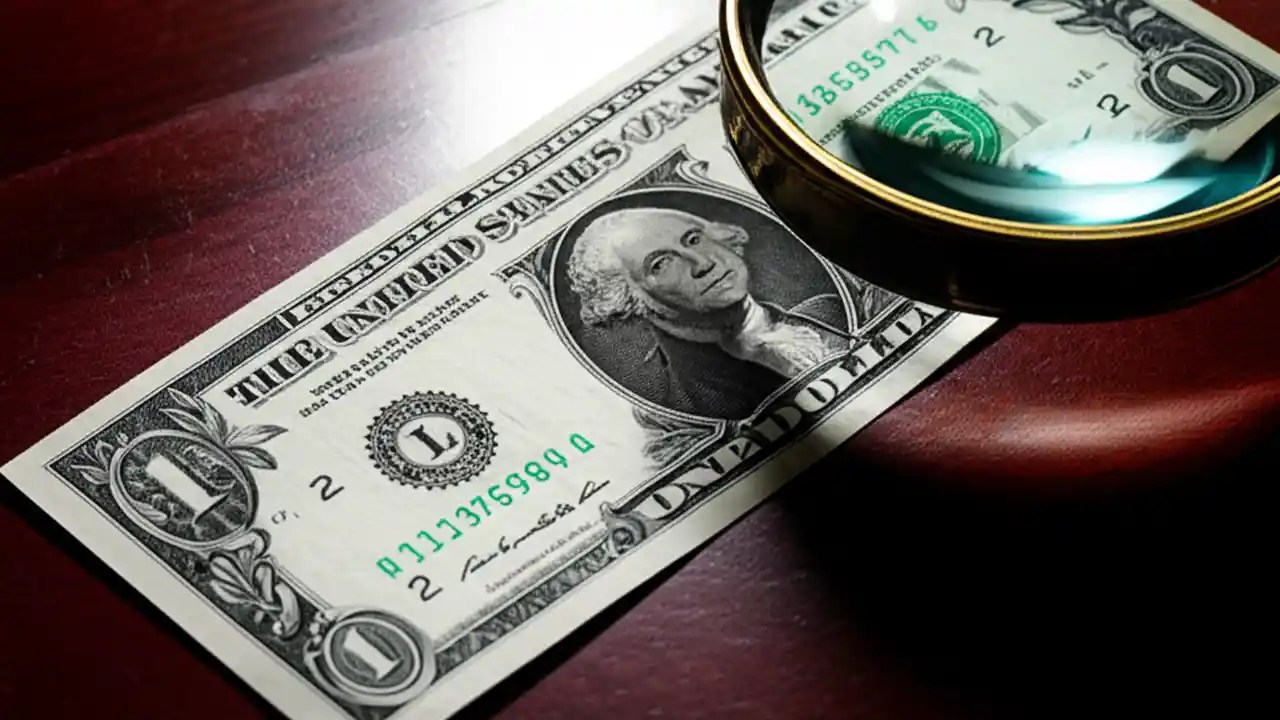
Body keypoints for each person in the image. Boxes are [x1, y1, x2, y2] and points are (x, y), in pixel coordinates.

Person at [566, 206, 882, 419]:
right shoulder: (681, 408)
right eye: (661, 263)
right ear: (626, 299)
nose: (703, 263)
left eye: (693, 239)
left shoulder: (830, 309)